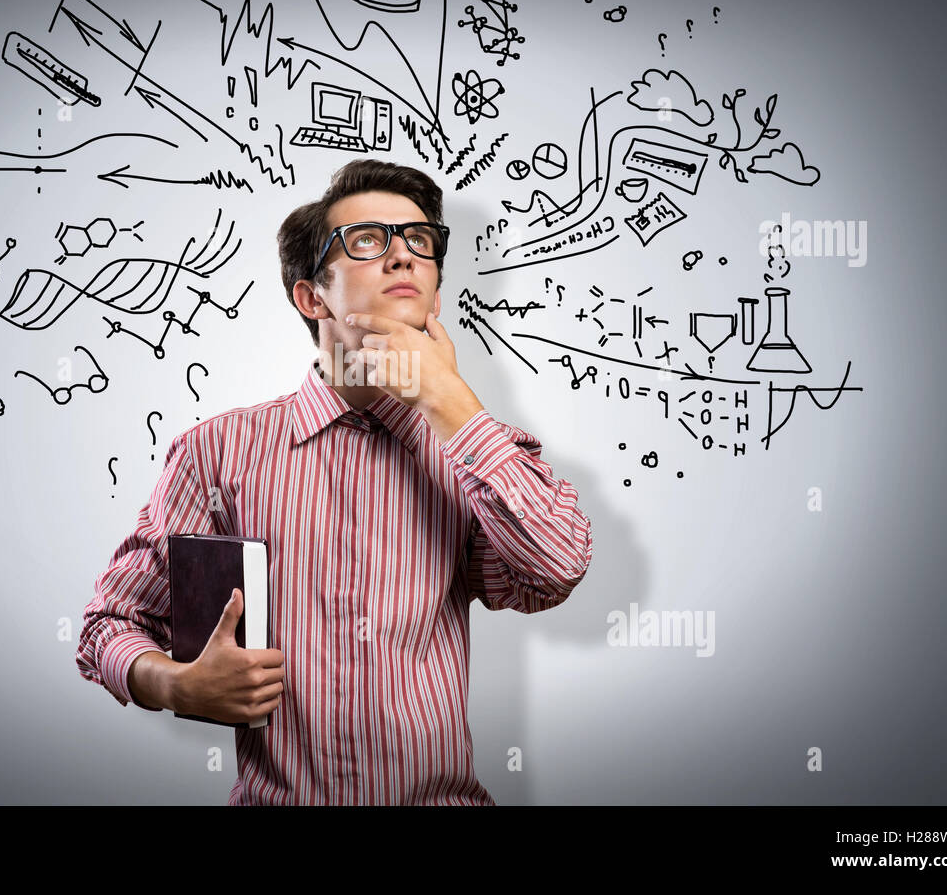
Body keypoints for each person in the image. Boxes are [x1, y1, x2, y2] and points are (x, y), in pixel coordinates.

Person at [75, 158, 593, 804]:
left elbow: (556, 569)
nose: (404, 254)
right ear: (311, 296)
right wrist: (175, 685)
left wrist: (450, 402)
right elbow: (109, 623)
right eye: (369, 240)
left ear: (435, 294)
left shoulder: (472, 456)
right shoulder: (217, 452)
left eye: (420, 241)